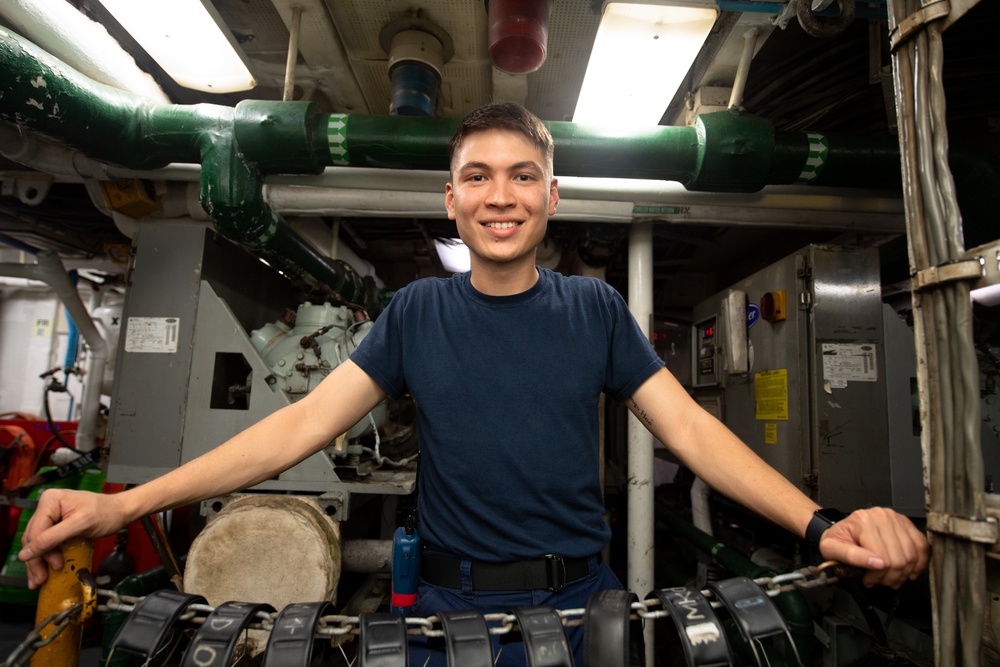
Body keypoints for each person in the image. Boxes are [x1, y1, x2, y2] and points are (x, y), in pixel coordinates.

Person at [19, 102, 929, 666]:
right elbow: (295, 427)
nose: (501, 194)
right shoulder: (415, 312)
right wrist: (127, 505)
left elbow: (691, 432)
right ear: (451, 202)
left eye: (523, 176)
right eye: (478, 177)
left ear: (551, 196)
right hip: (446, 619)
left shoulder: (596, 310)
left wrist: (820, 521)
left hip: (582, 612)